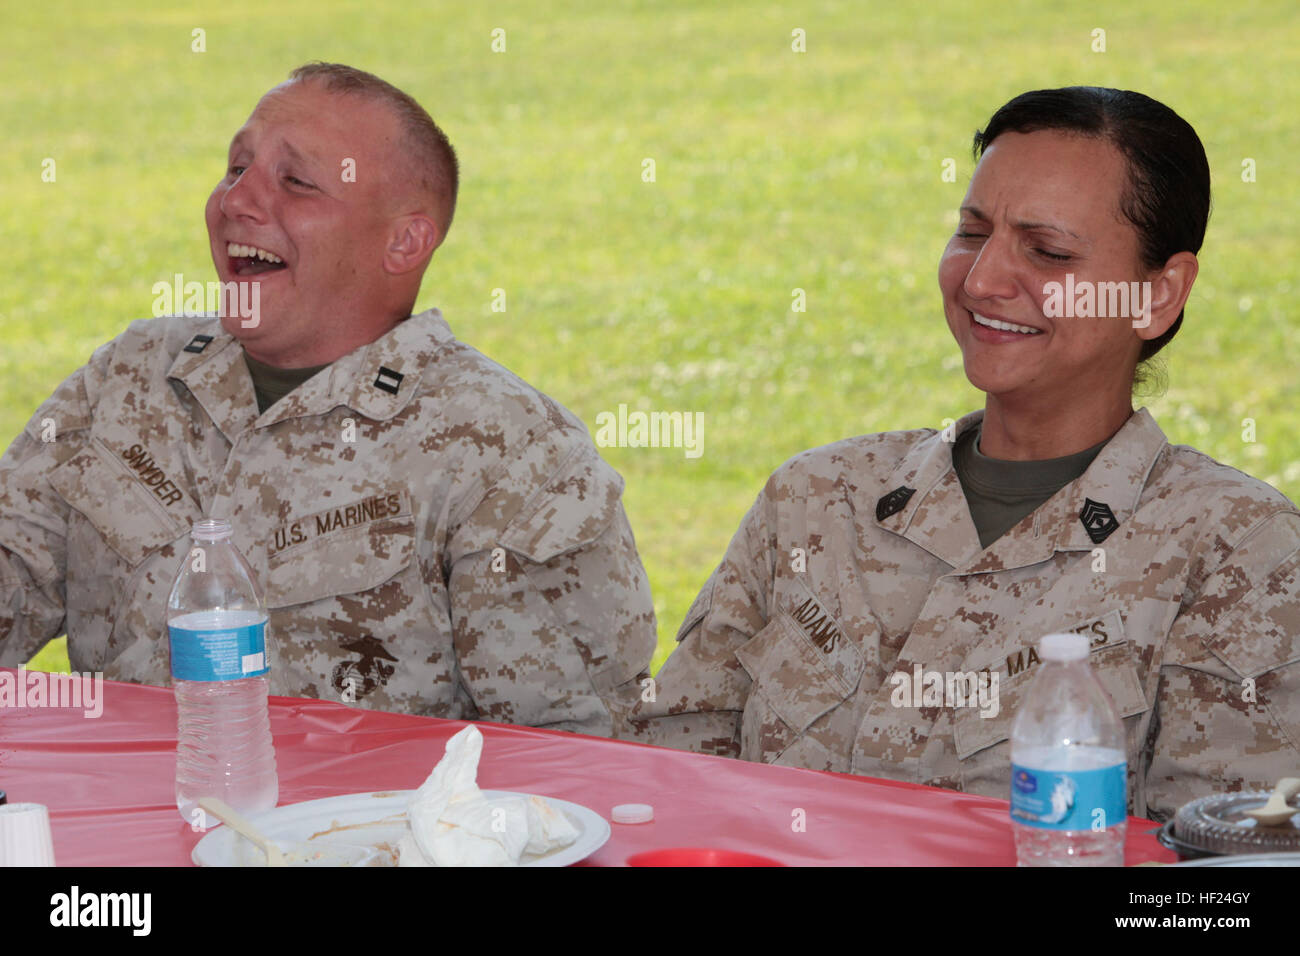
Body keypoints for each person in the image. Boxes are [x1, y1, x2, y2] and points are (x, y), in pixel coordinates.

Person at [625, 87, 1300, 822]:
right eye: (973, 233)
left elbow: (1222, 871)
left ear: (1159, 296)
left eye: (1048, 252)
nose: (981, 281)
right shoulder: (816, 499)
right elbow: (667, 783)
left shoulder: (1237, 551)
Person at [0, 62, 656, 736]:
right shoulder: (132, 377)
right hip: (115, 831)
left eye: (295, 183)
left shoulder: (510, 454)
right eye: (235, 169)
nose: (236, 202)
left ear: (403, 241)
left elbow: (576, 764)